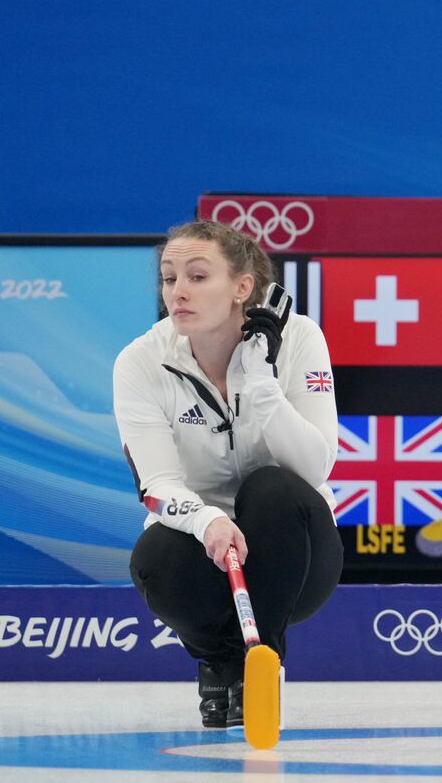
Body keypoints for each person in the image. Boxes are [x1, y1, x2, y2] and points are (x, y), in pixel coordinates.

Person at [115, 220, 343, 727]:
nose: (178, 292)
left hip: (297, 555)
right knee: (155, 556)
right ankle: (219, 661)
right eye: (169, 278)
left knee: (274, 487)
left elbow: (314, 467)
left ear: (242, 287)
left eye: (197, 277)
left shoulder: (300, 338)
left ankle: (263, 663)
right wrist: (208, 522)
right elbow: (155, 487)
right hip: (203, 551)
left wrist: (261, 381)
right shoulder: (140, 362)